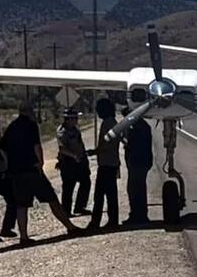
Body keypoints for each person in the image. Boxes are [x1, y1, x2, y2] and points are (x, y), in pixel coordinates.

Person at [1, 99, 80, 243]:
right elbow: (36, 146)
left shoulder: (11, 127)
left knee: (22, 205)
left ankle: (24, 237)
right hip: (32, 169)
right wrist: (40, 163)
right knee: (52, 199)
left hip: (16, 172)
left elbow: (3, 148)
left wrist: (9, 165)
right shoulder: (31, 125)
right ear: (29, 111)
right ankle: (70, 227)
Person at [88, 98, 120, 232]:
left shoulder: (108, 123)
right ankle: (112, 220)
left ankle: (96, 222)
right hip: (110, 162)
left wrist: (95, 151)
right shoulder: (111, 122)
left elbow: (107, 145)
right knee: (110, 193)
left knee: (100, 194)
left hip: (108, 163)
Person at [57, 109, 91, 217]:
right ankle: (66, 211)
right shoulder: (62, 131)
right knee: (68, 187)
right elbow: (62, 148)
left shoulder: (75, 129)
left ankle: (80, 207)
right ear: (68, 120)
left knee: (86, 182)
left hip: (80, 161)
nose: (76, 120)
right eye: (74, 118)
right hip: (69, 162)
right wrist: (74, 156)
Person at [123, 112, 153, 225]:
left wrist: (125, 140)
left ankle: (138, 215)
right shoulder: (142, 126)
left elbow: (132, 144)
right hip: (139, 162)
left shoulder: (138, 128)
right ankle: (139, 214)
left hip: (138, 162)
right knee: (137, 188)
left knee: (136, 190)